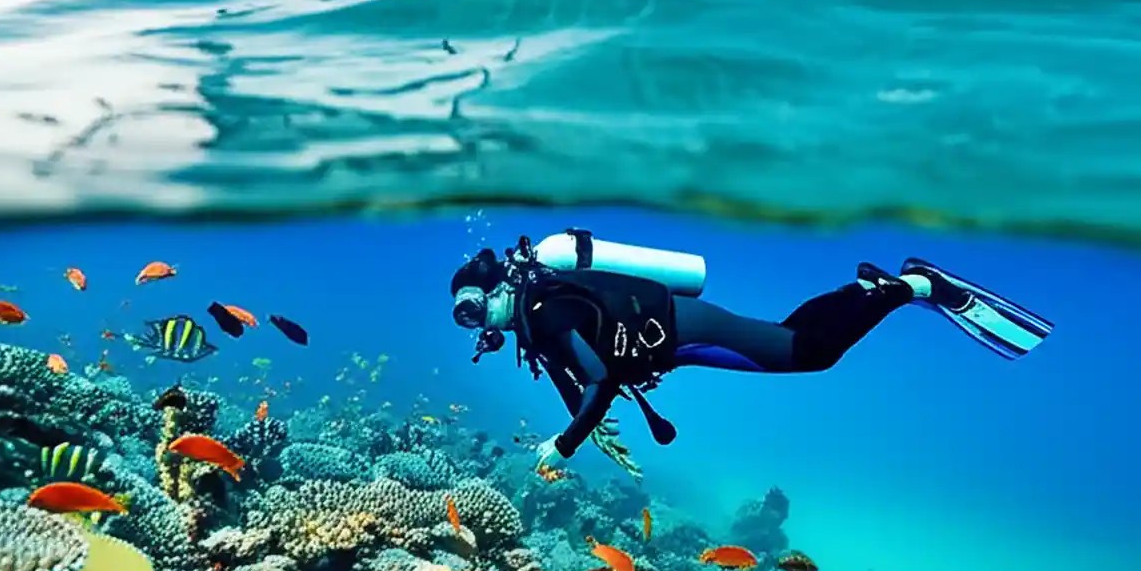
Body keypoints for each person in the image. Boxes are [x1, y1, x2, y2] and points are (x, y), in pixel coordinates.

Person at [449, 229, 1054, 471]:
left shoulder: (542, 309)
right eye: (467, 319)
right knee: (790, 336)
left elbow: (600, 380)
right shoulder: (537, 320)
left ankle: (911, 286)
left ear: (499, 286)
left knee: (807, 352)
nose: (479, 323)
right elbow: (583, 378)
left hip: (687, 327)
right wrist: (576, 422)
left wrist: (565, 444)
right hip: (677, 342)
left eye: (475, 307)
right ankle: (864, 289)